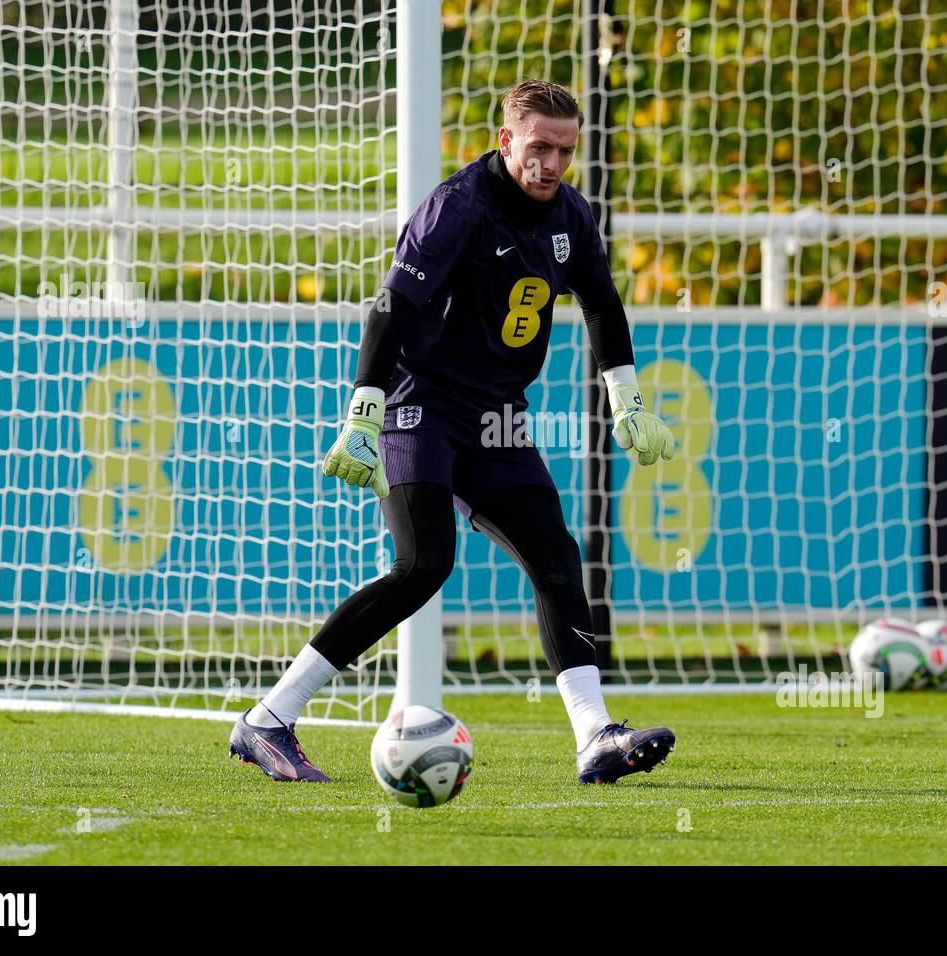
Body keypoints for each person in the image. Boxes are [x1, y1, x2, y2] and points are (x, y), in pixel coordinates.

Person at [230, 79, 677, 785]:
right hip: (423, 406)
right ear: (507, 141)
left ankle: (595, 736)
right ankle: (268, 719)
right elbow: (393, 306)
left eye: (564, 150)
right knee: (424, 564)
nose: (551, 164)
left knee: (555, 558)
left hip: (497, 416)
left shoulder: (572, 215)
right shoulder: (458, 207)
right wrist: (363, 411)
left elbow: (601, 303)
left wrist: (626, 398)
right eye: (538, 147)